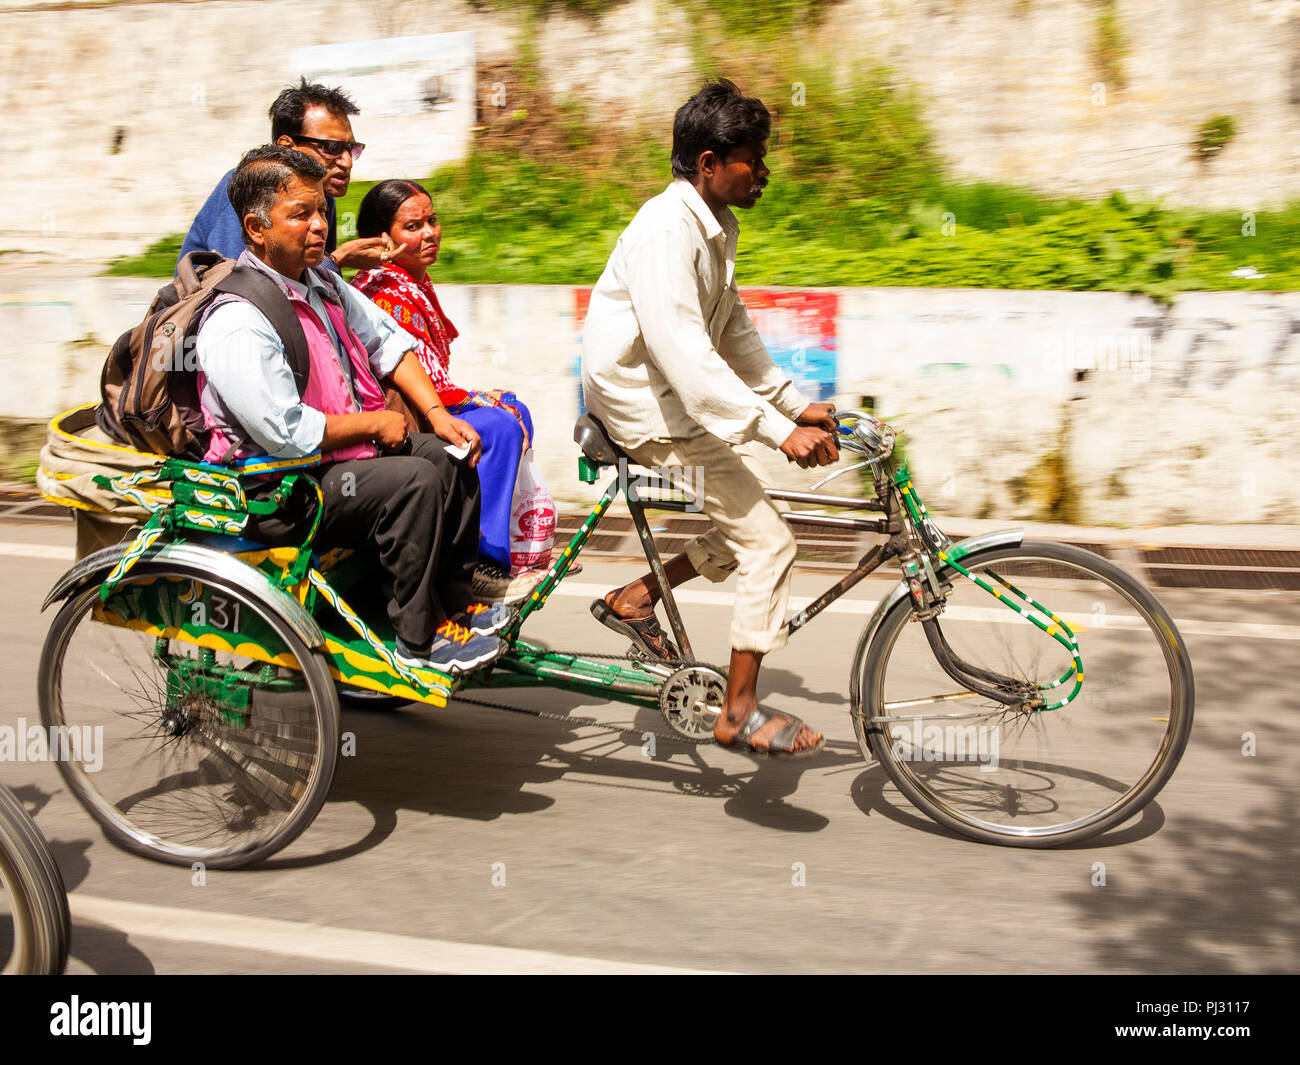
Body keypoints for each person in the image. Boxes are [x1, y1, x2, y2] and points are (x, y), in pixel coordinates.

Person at [580, 79, 840, 757]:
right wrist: (780, 431)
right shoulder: (667, 232)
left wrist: (791, 401)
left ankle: (637, 595)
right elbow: (688, 358)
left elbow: (734, 334)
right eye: (753, 159)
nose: (765, 173)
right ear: (707, 163)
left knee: (746, 521)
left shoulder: (714, 224)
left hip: (676, 396)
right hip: (648, 404)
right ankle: (738, 711)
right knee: (772, 544)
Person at [194, 144, 510, 675]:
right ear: (255, 228)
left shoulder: (321, 282)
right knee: (415, 481)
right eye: (301, 214)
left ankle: (458, 609)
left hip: (334, 460)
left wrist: (435, 415)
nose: (321, 225)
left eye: (321, 211)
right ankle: (417, 645)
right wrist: (375, 422)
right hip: (277, 485)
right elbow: (284, 431)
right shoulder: (236, 317)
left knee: (452, 453)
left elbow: (388, 341)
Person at [351, 179, 545, 601]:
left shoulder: (415, 281)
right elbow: (417, 375)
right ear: (381, 239)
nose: (429, 233)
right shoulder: (387, 291)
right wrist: (483, 401)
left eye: (432, 221)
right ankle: (480, 563)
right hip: (401, 418)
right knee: (499, 425)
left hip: (425, 403)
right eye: (413, 226)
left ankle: (506, 552)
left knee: (513, 410)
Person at [178, 79, 388, 273]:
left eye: (351, 149)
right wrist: (337, 259)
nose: (347, 161)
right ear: (287, 146)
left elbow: (313, 275)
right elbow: (237, 282)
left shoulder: (322, 193)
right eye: (332, 147)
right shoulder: (248, 189)